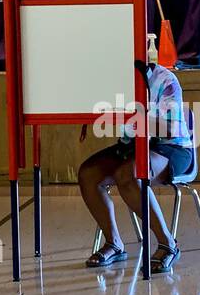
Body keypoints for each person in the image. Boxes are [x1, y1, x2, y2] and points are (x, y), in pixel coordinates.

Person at [77, 43, 193, 273]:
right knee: (87, 173)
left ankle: (168, 244)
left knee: (129, 174)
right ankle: (114, 244)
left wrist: (132, 117)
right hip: (133, 145)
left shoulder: (165, 80)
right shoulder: (114, 80)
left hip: (172, 148)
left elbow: (171, 130)